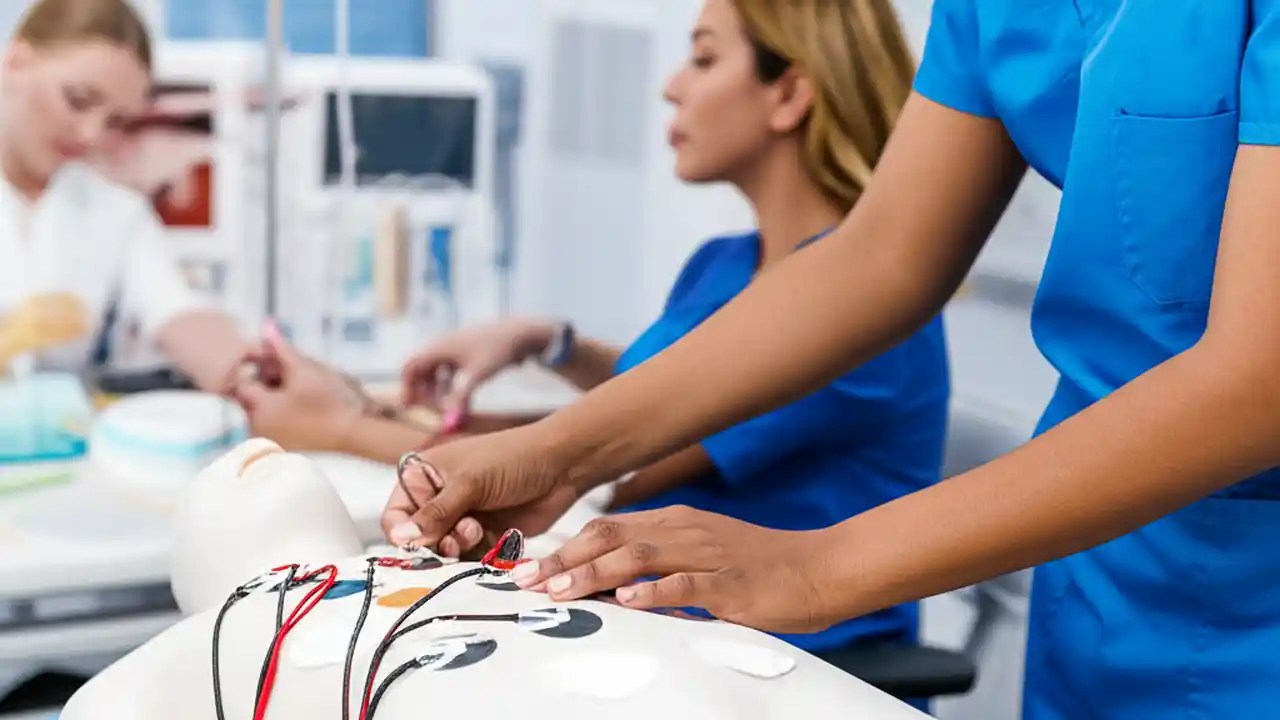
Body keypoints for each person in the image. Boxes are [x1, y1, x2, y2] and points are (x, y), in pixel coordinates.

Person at [384, 0, 1280, 717]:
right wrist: (560, 450)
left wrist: (820, 569)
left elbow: (1259, 378)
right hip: (1103, 565)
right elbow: (882, 255)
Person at [246, 2, 949, 660]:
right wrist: (541, 347)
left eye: (703, 60)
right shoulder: (726, 264)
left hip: (776, 663)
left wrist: (333, 427)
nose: (671, 88)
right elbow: (625, 410)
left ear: (791, 94)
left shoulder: (844, 323)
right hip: (661, 632)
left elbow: (601, 459)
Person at [0, 0, 248, 389]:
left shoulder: (114, 211)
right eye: (78, 99)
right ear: (15, 62)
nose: (91, 134)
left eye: (115, 120)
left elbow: (177, 312)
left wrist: (246, 374)